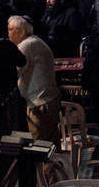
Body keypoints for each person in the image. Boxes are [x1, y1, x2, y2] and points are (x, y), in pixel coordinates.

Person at [8, 15, 61, 143]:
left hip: (40, 104)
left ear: (20, 31)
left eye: (10, 29)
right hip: (47, 101)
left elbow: (15, 71)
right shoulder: (34, 41)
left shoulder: (27, 45)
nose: (8, 34)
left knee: (41, 146)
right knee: (50, 146)